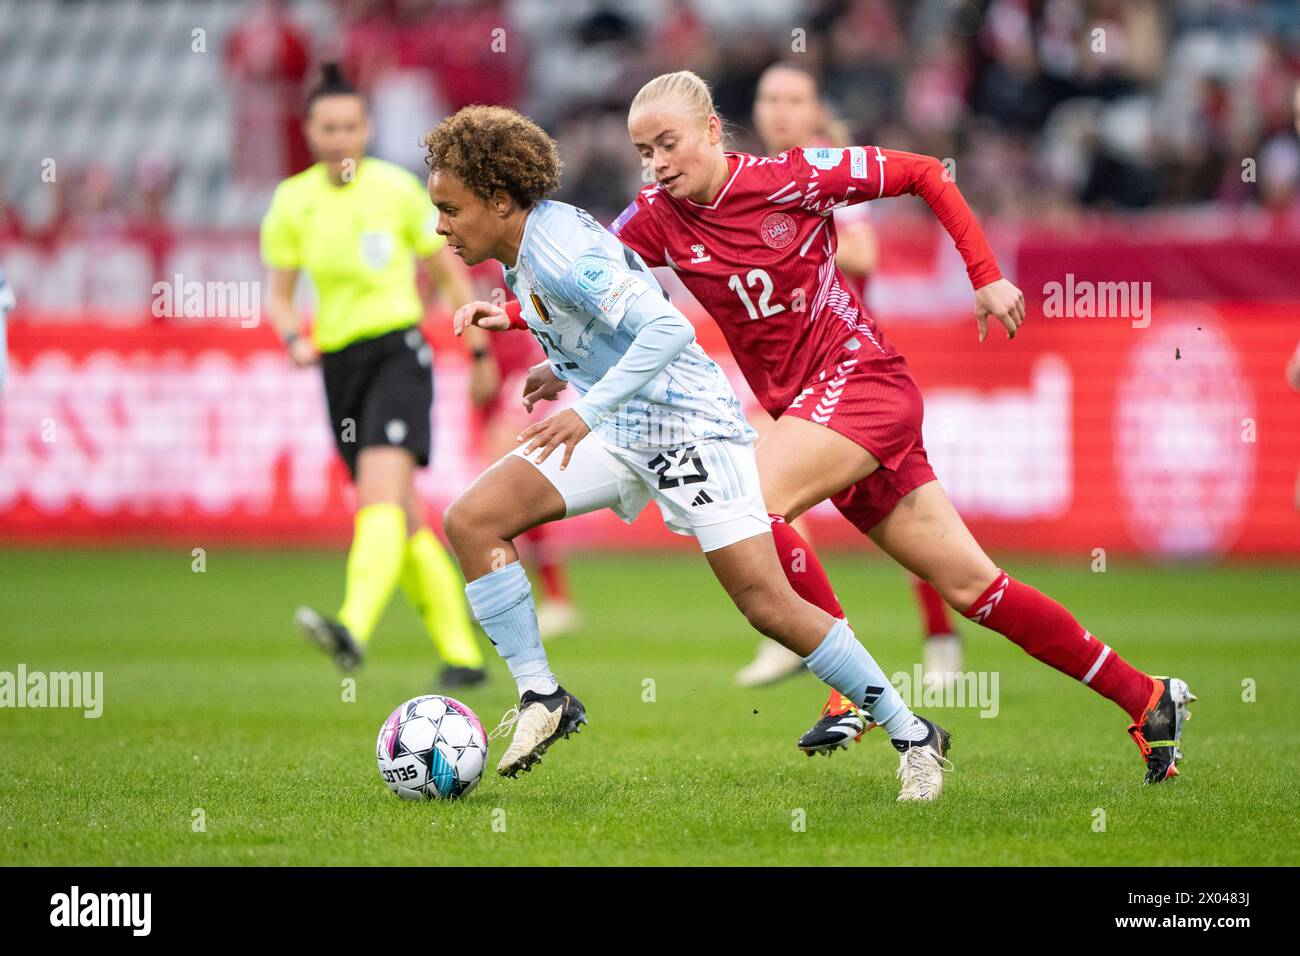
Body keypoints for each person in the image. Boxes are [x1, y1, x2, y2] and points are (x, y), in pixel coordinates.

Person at [602, 70, 1193, 784]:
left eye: (668, 144)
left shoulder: (795, 176)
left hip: (862, 385)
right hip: (819, 412)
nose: (658, 163)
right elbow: (589, 281)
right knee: (977, 589)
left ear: (711, 132)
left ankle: (844, 691)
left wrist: (985, 274)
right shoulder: (653, 217)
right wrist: (516, 319)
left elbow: (921, 174)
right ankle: (1147, 697)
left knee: (742, 504)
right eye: (644, 151)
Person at [425, 104, 952, 800]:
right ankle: (543, 697)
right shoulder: (529, 247)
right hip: (619, 427)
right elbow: (609, 314)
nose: (440, 226)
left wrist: (585, 406)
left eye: (449, 209)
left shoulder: (557, 251)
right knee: (472, 521)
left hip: (685, 428)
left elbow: (667, 329)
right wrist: (555, 358)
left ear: (498, 200)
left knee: (769, 605)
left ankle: (912, 733)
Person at [735, 63, 962, 744]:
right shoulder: (755, 181)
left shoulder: (828, 176)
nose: (779, 110)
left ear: (815, 109)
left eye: (793, 99)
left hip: (852, 370)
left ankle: (931, 640)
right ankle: (813, 643)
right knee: (767, 500)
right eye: (769, 98)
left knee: (900, 522)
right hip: (794, 372)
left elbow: (861, 249)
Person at [260, 63, 486, 687]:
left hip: (396, 353)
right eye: (328, 127)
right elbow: (280, 297)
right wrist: (291, 338)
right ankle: (462, 655)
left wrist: (479, 350)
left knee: (380, 495)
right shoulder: (292, 202)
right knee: (404, 514)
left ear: (368, 128)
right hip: (339, 366)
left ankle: (352, 626)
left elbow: (445, 272)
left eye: (350, 126)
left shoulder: (395, 190)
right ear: (309, 132)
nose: (340, 138)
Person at [462, 317, 579, 638]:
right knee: (496, 489)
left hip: (519, 369)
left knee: (507, 485)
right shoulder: (450, 266)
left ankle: (552, 599)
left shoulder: (492, 267)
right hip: (486, 374)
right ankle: (505, 595)